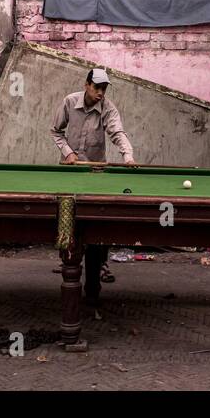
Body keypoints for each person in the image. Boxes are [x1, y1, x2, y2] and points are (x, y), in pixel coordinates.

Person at [51, 68, 136, 290]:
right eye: (97, 87)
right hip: (70, 168)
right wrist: (68, 152)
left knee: (98, 217)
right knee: (67, 213)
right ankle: (68, 258)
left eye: (104, 89)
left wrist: (128, 156)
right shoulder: (69, 102)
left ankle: (101, 264)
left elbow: (117, 133)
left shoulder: (108, 109)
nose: (101, 93)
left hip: (95, 171)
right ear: (86, 84)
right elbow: (55, 131)